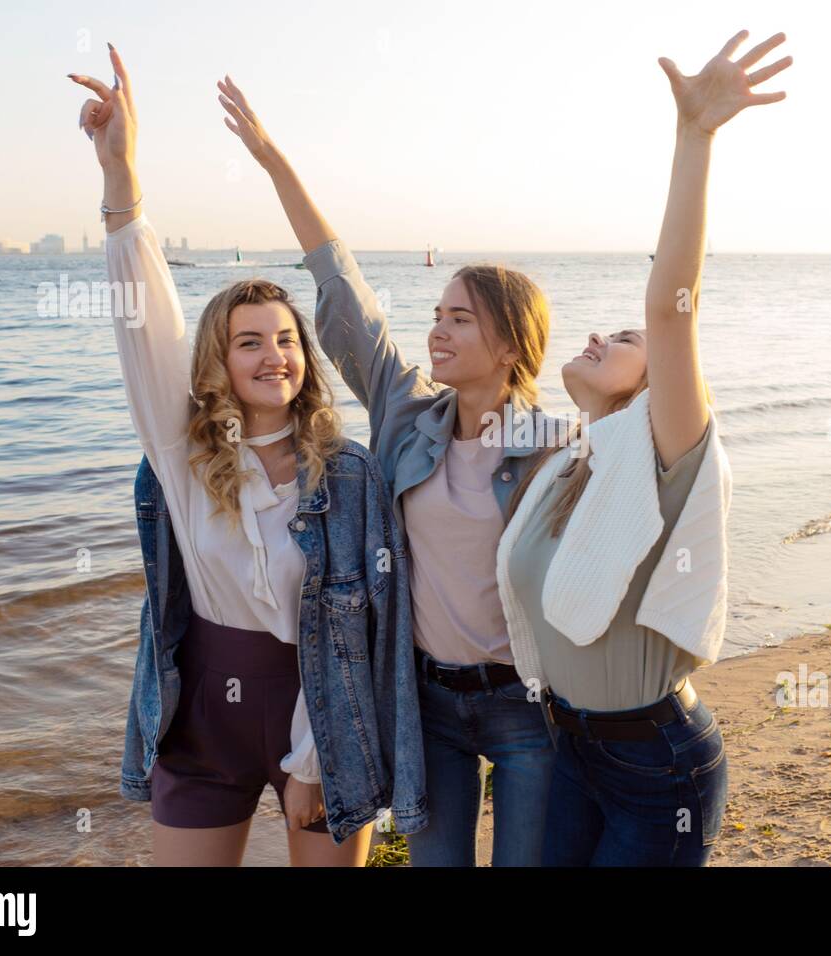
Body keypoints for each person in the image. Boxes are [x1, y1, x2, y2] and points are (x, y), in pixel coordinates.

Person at [69, 43, 426, 867]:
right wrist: (121, 181)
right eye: (249, 342)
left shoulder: (348, 472)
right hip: (200, 717)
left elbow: (359, 625)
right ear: (217, 362)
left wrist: (309, 759)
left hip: (324, 720)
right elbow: (143, 326)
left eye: (287, 340)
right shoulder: (183, 455)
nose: (274, 355)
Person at [216, 75, 561, 866]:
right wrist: (272, 161)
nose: (436, 332)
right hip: (426, 704)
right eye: (436, 315)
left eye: (459, 320)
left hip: (527, 707)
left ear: (510, 346)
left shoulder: (555, 443)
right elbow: (343, 288)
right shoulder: (409, 413)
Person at [495, 29, 793, 866]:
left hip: (657, 760)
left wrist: (693, 137)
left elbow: (673, 307)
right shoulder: (570, 462)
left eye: (621, 336)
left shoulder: (671, 445)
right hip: (569, 745)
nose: (599, 335)